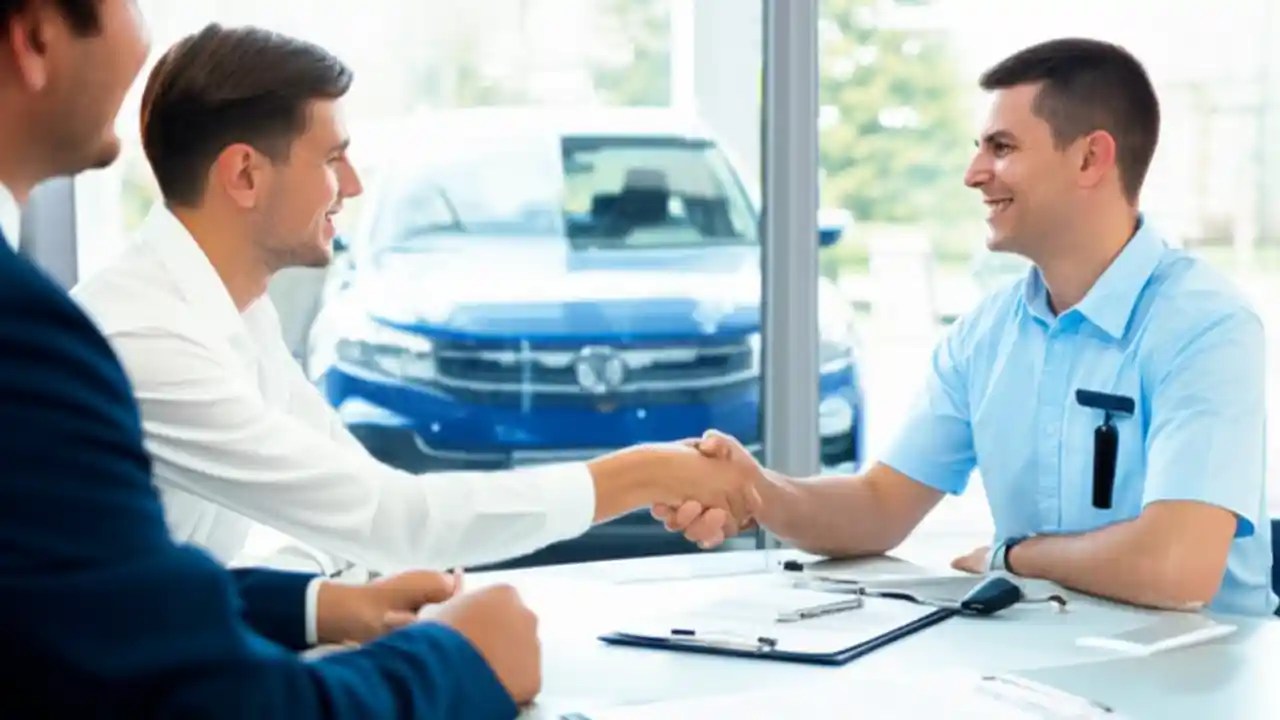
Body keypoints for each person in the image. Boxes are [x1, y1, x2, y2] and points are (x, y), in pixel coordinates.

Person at [0, 0, 545, 715]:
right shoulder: (38, 335)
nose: (351, 186)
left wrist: (324, 607)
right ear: (36, 35)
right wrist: (461, 662)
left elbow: (85, 598)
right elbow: (213, 701)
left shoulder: (227, 317)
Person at [71, 23, 758, 577]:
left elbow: (351, 507)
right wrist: (642, 474)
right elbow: (389, 520)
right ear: (246, 175)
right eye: (332, 158)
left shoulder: (231, 312)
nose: (354, 185)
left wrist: (345, 586)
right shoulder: (147, 338)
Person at [659, 37, 1276, 617]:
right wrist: (755, 488)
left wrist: (1013, 556)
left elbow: (1177, 568)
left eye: (1001, 147)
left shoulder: (1204, 327)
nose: (974, 173)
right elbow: (879, 506)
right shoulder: (986, 333)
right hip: (1040, 667)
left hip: (1199, 677)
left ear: (1090, 157)